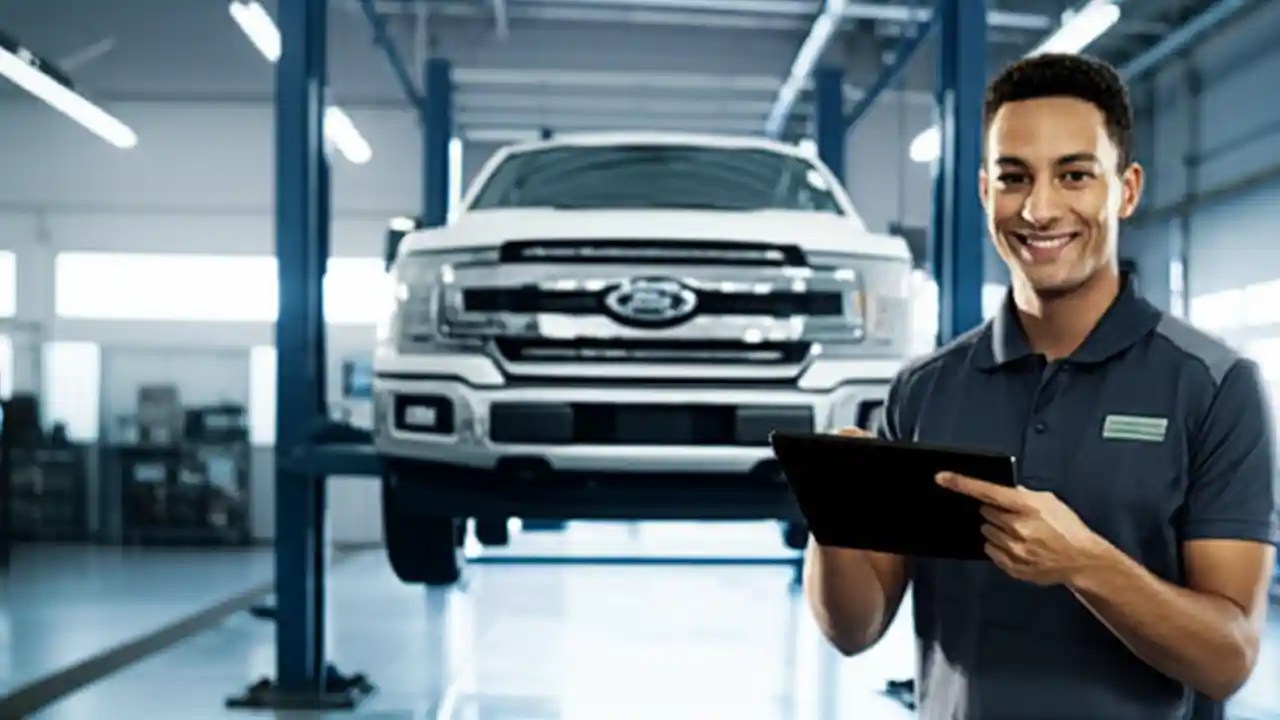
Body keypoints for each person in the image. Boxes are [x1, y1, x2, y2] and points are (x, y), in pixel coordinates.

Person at [805, 53, 1277, 719]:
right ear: (984, 192)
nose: (1039, 208)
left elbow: (1228, 661)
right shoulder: (924, 390)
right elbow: (853, 631)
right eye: (1013, 178)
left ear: (1127, 190)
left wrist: (1085, 564)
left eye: (1074, 175)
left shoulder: (1215, 386)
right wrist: (834, 511)